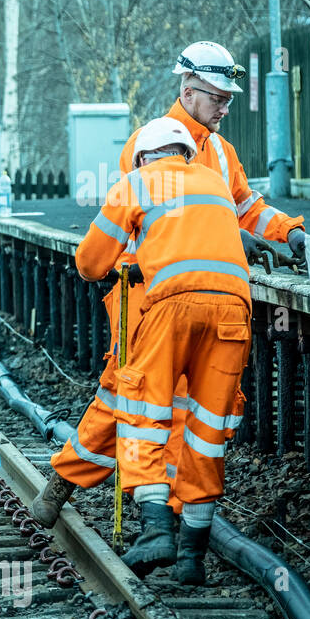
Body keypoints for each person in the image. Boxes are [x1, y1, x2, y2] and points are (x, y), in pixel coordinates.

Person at [32, 41, 304, 529]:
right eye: (217, 98)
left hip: (198, 296)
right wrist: (229, 236)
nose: (224, 108)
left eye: (229, 99)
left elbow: (246, 207)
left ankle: (170, 517)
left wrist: (291, 232)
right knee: (126, 395)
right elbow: (147, 216)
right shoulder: (151, 144)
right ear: (188, 90)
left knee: (185, 407)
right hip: (146, 294)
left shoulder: (221, 152)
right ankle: (68, 480)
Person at [74, 117, 252, 584]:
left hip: (171, 307)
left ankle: (156, 528)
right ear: (184, 153)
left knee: (142, 409)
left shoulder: (137, 183)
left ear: (143, 158)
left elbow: (90, 263)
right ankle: (192, 557)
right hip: (234, 311)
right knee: (208, 429)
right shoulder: (213, 182)